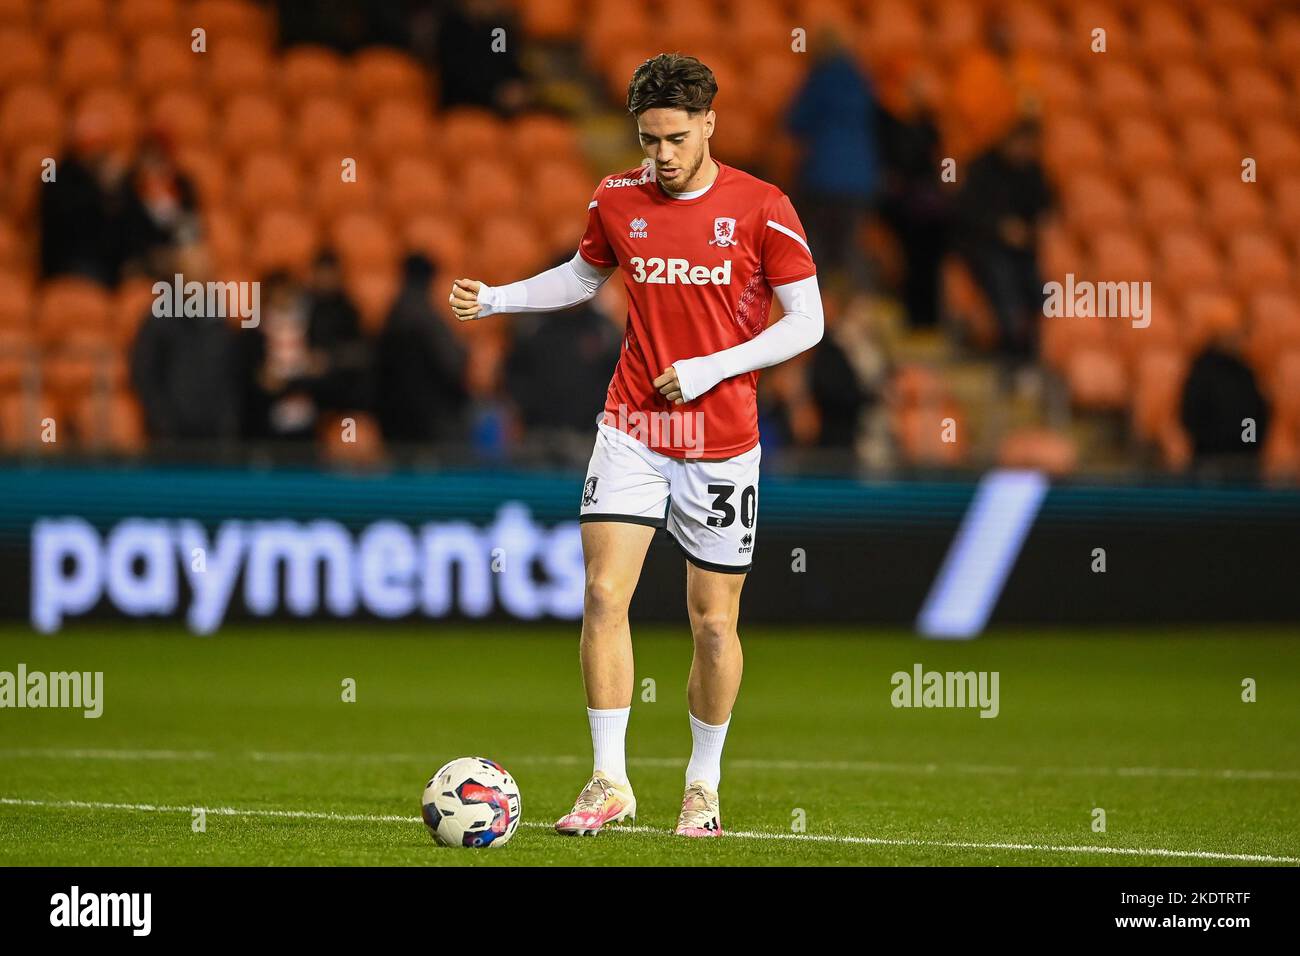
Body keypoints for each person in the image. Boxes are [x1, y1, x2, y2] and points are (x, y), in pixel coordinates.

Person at [448, 54, 823, 837]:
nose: (662, 155)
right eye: (649, 139)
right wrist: (499, 299)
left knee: (713, 622)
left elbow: (807, 321)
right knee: (601, 594)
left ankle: (702, 784)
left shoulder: (763, 206)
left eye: (677, 138)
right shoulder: (617, 199)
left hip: (721, 442)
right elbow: (584, 280)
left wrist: (715, 365)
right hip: (634, 428)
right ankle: (609, 779)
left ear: (710, 123)